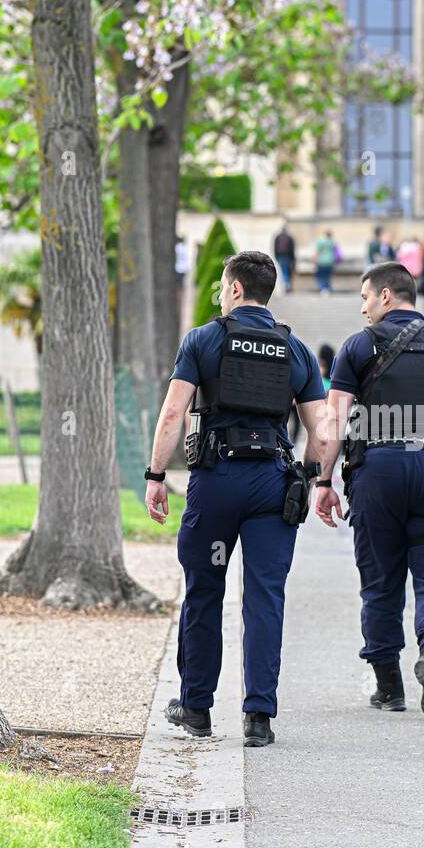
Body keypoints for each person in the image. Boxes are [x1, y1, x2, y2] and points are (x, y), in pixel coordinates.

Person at [144, 251, 326, 748]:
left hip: (217, 479)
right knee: (265, 596)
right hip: (273, 482)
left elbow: (173, 413)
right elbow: (323, 430)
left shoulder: (204, 339)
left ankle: (197, 708)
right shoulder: (296, 350)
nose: (221, 294)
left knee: (205, 590)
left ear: (237, 290)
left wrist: (156, 474)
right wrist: (311, 477)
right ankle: (258, 717)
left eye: (223, 287)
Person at [313, 262, 424, 720]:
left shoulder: (358, 347)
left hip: (378, 469)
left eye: (365, 298)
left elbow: (334, 420)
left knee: (380, 582)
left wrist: (324, 481)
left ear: (386, 296)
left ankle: (389, 686)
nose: (363, 308)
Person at [273, 224, 296, 293]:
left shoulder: (277, 237)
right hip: (287, 256)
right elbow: (292, 248)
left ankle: (283, 285)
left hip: (279, 255)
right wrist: (293, 258)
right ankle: (286, 285)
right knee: (286, 270)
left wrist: (276, 256)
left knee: (282, 270)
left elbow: (275, 247)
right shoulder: (289, 237)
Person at [314, 230, 338, 294]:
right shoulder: (332, 242)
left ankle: (323, 288)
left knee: (321, 276)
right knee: (328, 276)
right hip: (330, 261)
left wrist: (315, 261)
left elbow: (317, 252)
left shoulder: (321, 241)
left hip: (321, 261)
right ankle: (327, 288)